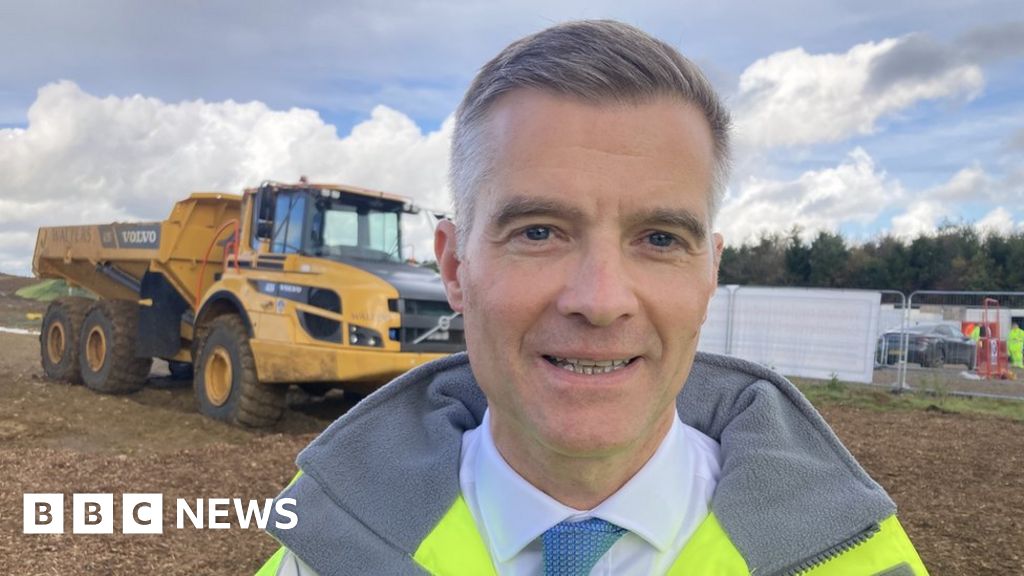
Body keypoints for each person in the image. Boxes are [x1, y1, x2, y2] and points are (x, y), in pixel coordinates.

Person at [257, 20, 927, 575]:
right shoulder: (317, 560)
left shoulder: (862, 564)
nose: (601, 300)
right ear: (455, 266)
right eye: (539, 231)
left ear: (708, 277)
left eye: (660, 239)